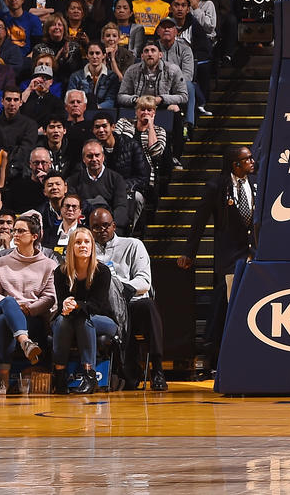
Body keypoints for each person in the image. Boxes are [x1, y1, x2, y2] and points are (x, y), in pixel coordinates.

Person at [177, 146, 256, 372]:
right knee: (223, 301)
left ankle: (244, 351)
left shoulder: (258, 183)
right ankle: (213, 352)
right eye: (247, 159)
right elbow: (199, 220)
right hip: (228, 256)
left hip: (254, 253)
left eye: (251, 158)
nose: (252, 162)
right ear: (235, 165)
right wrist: (189, 252)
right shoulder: (216, 186)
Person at [88, 207, 166, 391]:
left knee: (148, 306)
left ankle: (158, 370)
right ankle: (126, 371)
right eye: (96, 227)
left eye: (106, 225)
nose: (102, 230)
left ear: (114, 225)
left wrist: (118, 287)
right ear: (90, 229)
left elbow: (144, 281)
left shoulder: (132, 244)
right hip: (105, 307)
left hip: (131, 300)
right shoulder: (87, 248)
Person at [0, 212, 56, 396]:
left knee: (4, 322)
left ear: (34, 236)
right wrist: (14, 307)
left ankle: (3, 376)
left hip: (32, 317)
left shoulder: (48, 265)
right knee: (8, 303)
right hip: (3, 307)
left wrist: (30, 309)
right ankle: (25, 343)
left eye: (20, 231)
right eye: (14, 230)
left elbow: (49, 297)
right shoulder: (0, 262)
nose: (14, 233)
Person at [50, 227, 117, 395]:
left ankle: (89, 375)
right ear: (71, 246)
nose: (83, 246)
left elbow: (96, 306)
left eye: (87, 242)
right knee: (62, 321)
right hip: (71, 317)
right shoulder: (60, 272)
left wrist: (76, 305)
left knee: (83, 320)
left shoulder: (102, 271)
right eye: (78, 242)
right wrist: (66, 307)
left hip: (102, 319)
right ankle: (59, 376)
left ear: (92, 246)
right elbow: (61, 304)